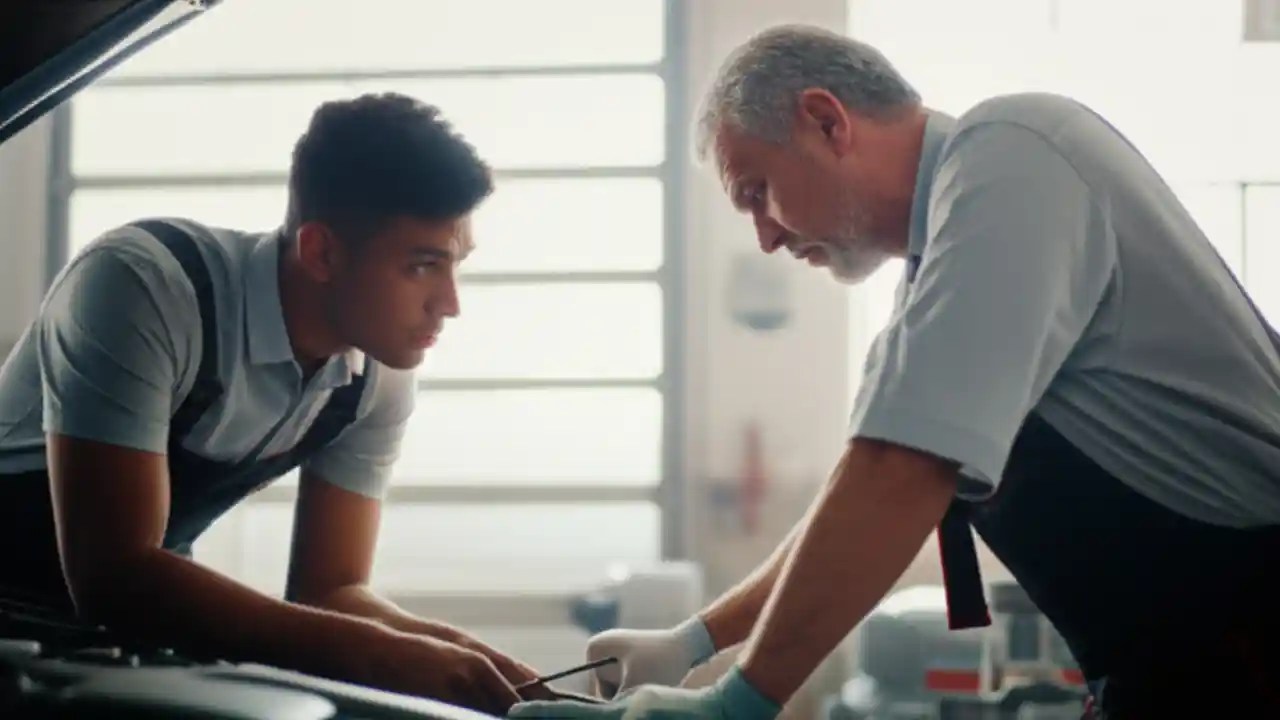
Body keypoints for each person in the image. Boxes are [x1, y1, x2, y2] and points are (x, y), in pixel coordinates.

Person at [510, 24, 1280, 720]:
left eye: (758, 193)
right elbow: (858, 502)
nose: (767, 237)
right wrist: (694, 639)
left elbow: (898, 470)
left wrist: (734, 705)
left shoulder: (1013, 152)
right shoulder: (930, 280)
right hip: (1172, 677)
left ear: (825, 121)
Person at [0, 92, 549, 716]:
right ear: (321, 251)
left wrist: (468, 658)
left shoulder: (378, 372)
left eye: (457, 267)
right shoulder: (144, 284)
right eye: (423, 266)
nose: (450, 304)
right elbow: (116, 574)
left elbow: (332, 591)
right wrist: (387, 657)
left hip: (116, 641)